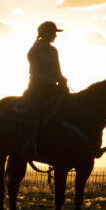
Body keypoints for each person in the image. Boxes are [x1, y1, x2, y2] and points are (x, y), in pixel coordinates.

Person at [21, 21, 68, 158]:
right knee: (34, 111)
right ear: (45, 34)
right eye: (53, 33)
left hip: (53, 87)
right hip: (37, 88)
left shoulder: (53, 51)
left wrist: (62, 79)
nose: (55, 36)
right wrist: (54, 80)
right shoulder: (34, 51)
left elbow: (57, 71)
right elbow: (36, 75)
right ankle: (29, 142)